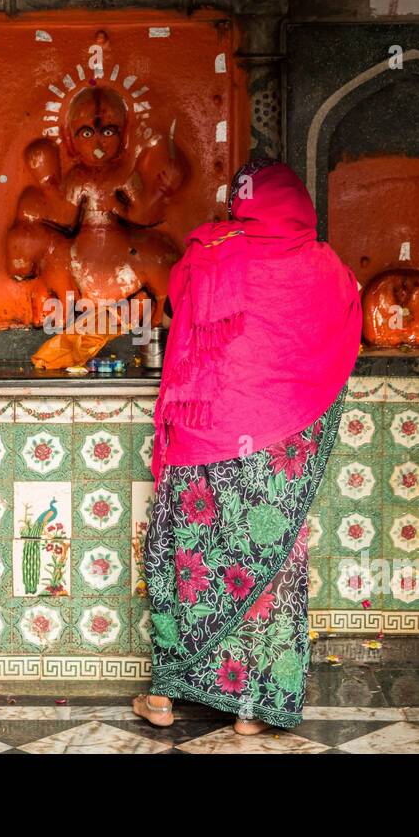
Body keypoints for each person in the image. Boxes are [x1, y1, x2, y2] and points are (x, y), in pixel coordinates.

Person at [132, 158, 362, 734]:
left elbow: (173, 308)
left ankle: (165, 697)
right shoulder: (324, 265)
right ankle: (252, 711)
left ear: (241, 202)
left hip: (201, 442)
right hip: (278, 449)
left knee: (183, 560)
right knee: (273, 564)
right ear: (298, 204)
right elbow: (344, 335)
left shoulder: (210, 249)